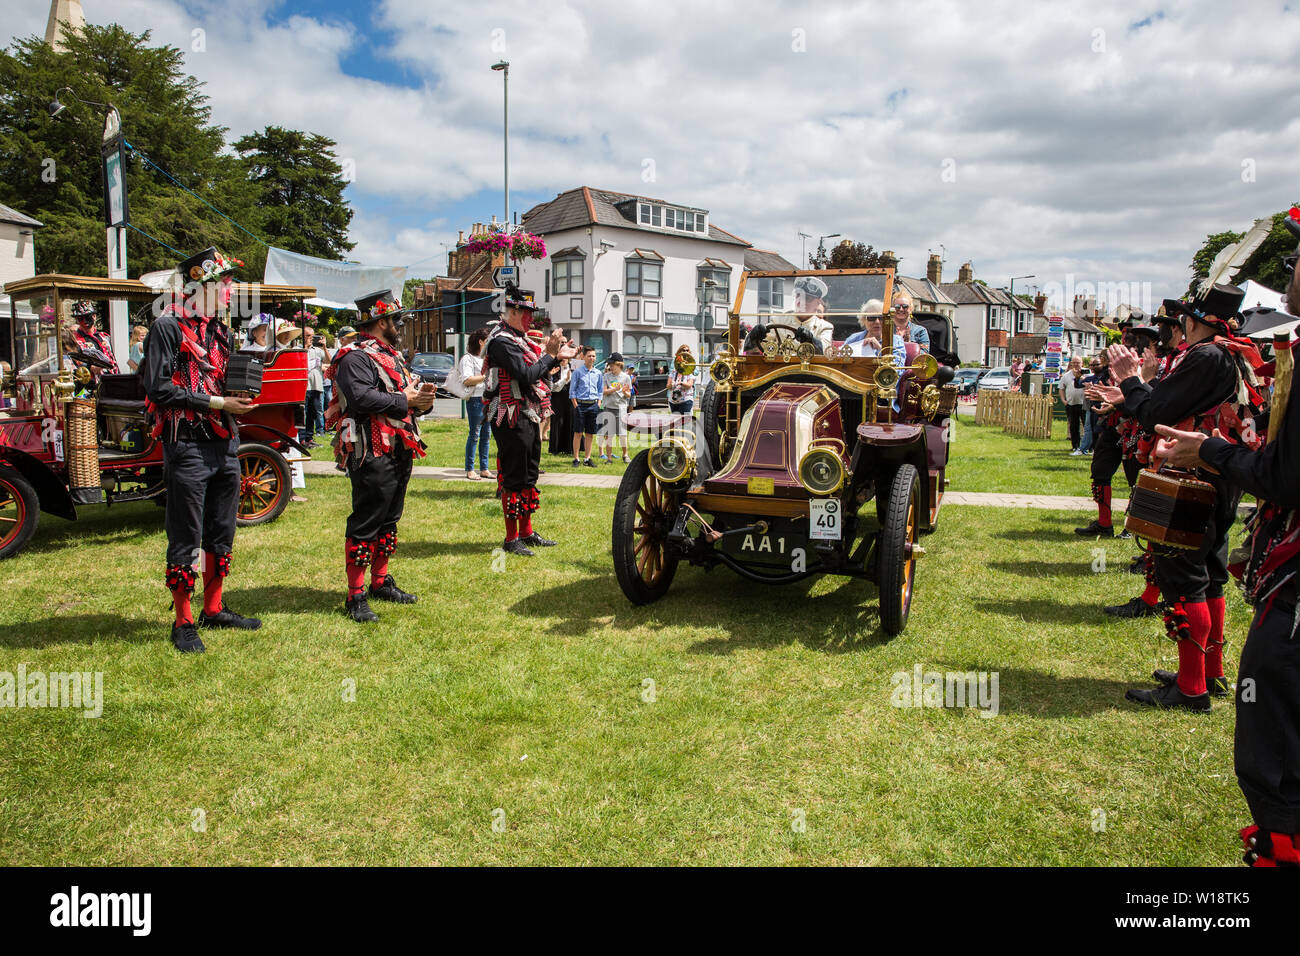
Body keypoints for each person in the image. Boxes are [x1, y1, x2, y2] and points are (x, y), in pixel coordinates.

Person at [1089, 284, 1265, 712]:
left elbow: (1155, 413)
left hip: (1190, 475)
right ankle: (1210, 672)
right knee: (1209, 571)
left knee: (1183, 575)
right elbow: (1166, 404)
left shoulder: (1204, 356)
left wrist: (1130, 380)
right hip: (1218, 474)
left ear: (1191, 321)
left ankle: (1190, 689)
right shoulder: (1229, 355)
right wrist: (1131, 394)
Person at [139, 245, 260, 653]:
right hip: (187, 442)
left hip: (224, 443)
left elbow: (221, 382)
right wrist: (216, 403)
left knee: (222, 529)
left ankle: (213, 608)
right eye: (225, 284)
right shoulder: (167, 326)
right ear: (200, 286)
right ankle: (183, 621)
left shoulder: (220, 331)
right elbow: (158, 388)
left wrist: (240, 395)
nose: (230, 292)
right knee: (186, 533)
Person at [326, 289, 432, 623]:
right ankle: (355, 595)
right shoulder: (354, 356)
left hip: (400, 446)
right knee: (367, 519)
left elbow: (405, 395)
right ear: (381, 321)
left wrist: (423, 402)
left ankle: (380, 581)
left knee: (390, 517)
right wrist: (407, 401)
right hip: (369, 447)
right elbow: (360, 398)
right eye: (396, 320)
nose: (399, 326)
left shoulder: (392, 356)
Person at [483, 282, 578, 555]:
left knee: (529, 473)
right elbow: (526, 375)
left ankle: (526, 532)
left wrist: (556, 357)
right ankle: (511, 539)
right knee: (514, 476)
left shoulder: (519, 339)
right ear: (511, 311)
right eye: (526, 313)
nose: (530, 319)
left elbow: (538, 371)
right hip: (509, 414)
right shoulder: (501, 341)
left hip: (527, 413)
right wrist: (550, 354)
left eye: (531, 313)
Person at [750, 275, 833, 352]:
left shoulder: (824, 327)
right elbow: (762, 348)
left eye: (807, 299)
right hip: (781, 367)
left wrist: (811, 340)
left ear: (818, 303)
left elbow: (826, 352)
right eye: (798, 296)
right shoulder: (778, 320)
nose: (801, 302)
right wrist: (755, 337)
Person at [460, 327, 492, 480]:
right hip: (476, 400)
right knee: (475, 434)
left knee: (486, 435)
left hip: (488, 399)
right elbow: (467, 380)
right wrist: (485, 376)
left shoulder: (486, 358)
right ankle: (470, 468)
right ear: (480, 342)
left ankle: (484, 468)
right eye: (487, 341)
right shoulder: (468, 359)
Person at [69, 299, 119, 379]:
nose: (84, 321)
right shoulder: (75, 340)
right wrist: (91, 367)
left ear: (94, 316)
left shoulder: (104, 337)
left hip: (111, 378)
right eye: (80, 319)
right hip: (90, 382)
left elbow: (112, 358)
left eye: (87, 317)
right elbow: (75, 361)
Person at [570, 346, 601, 466]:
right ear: (584, 357)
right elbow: (572, 391)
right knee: (578, 433)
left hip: (593, 406)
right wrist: (576, 406)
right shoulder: (577, 372)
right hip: (580, 406)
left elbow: (600, 391)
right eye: (589, 356)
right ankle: (576, 458)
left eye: (593, 356)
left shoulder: (598, 373)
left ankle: (587, 459)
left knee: (590, 433)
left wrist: (598, 404)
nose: (592, 358)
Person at [600, 352, 632, 463]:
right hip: (609, 407)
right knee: (609, 434)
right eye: (609, 364)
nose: (610, 366)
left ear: (619, 364)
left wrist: (625, 392)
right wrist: (614, 389)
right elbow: (604, 391)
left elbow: (629, 395)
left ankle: (625, 455)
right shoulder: (606, 376)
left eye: (612, 364)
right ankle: (609, 458)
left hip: (621, 408)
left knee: (622, 434)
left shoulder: (626, 377)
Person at [1060, 356, 1087, 455]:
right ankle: (1075, 446)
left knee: (1086, 425)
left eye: (1078, 363)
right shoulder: (1066, 375)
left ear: (1082, 363)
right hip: (1071, 404)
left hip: (1083, 404)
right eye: (1074, 363)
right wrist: (1063, 400)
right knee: (1073, 426)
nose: (1076, 365)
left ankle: (1087, 447)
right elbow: (1061, 388)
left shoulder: (1086, 375)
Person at [303, 334, 326, 447]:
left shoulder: (317, 350)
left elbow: (329, 360)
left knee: (312, 414)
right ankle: (301, 438)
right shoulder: (298, 349)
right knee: (302, 413)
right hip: (303, 387)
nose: (311, 338)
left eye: (312, 336)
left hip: (316, 386)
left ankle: (309, 438)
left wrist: (325, 347)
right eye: (308, 336)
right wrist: (305, 347)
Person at [668, 345, 696, 416]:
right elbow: (668, 385)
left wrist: (681, 383)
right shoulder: (674, 369)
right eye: (684, 350)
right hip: (674, 400)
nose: (685, 352)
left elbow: (690, 384)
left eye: (687, 350)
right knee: (676, 422)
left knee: (685, 422)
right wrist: (671, 385)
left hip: (686, 399)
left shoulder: (691, 366)